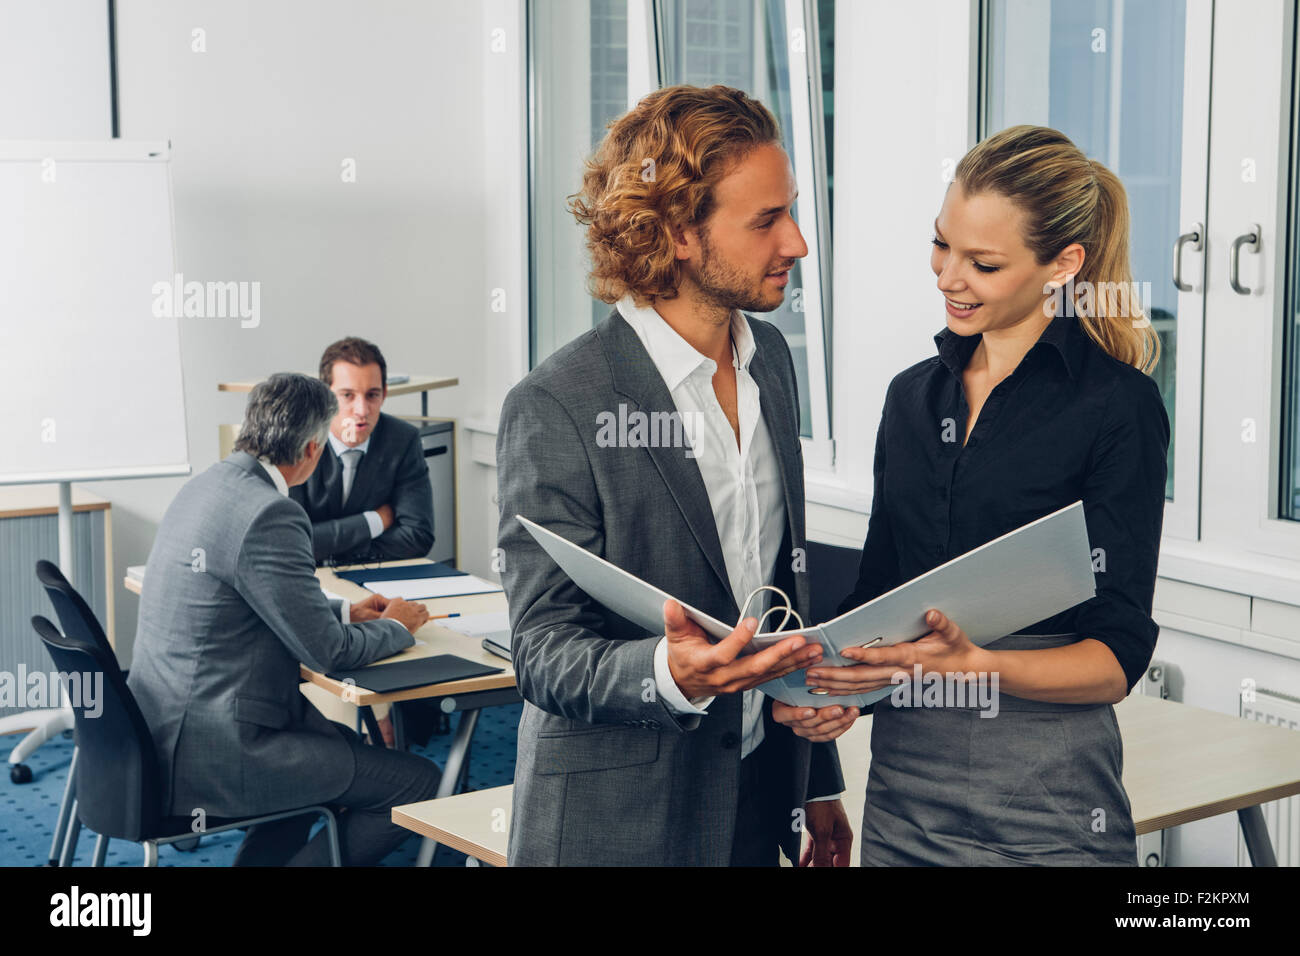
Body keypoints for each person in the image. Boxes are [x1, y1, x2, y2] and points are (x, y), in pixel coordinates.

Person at [775, 125, 1169, 866]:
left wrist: (969, 664)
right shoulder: (912, 400)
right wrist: (838, 692)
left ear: (1064, 265)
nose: (948, 276)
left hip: (1045, 801)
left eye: (983, 263)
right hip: (904, 797)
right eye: (941, 245)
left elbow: (1115, 659)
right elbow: (881, 599)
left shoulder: (1118, 407)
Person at [496, 84, 851, 867]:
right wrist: (671, 672)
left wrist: (819, 780)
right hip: (620, 822)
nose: (794, 243)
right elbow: (543, 650)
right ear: (680, 234)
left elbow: (776, 597)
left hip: (759, 798)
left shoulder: (775, 364)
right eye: (766, 220)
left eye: (790, 211)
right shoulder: (556, 404)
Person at [127, 372, 439, 865]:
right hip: (220, 750)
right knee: (418, 783)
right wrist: (397, 625)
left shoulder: (206, 484)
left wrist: (343, 610)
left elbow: (249, 601)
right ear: (314, 449)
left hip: (163, 730)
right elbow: (328, 654)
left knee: (339, 746)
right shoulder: (271, 512)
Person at [290, 336, 434, 566]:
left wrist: (335, 551)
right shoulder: (297, 440)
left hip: (375, 577)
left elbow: (418, 536)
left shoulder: (403, 439)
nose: (362, 410)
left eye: (372, 395)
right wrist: (374, 521)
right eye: (348, 395)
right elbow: (291, 541)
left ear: (384, 394)